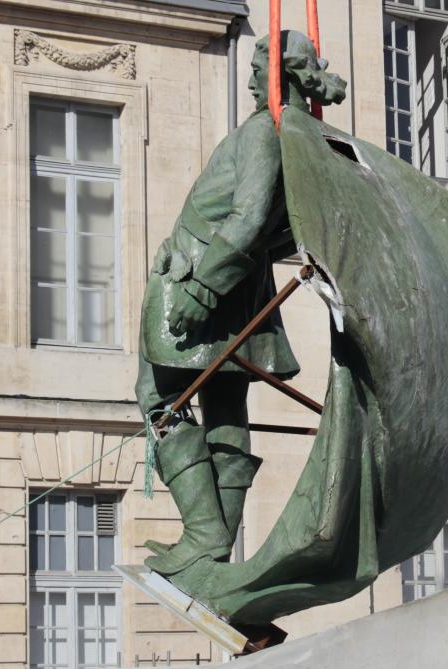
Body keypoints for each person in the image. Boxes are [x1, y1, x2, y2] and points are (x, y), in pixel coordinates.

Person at [136, 31, 346, 577]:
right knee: (225, 409)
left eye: (259, 69)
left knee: (161, 401)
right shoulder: (299, 139)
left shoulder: (262, 134)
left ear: (275, 77)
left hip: (199, 286)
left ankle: (205, 535)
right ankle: (214, 547)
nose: (251, 78)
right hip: (237, 289)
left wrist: (202, 289)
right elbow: (284, 231)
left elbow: (250, 219)